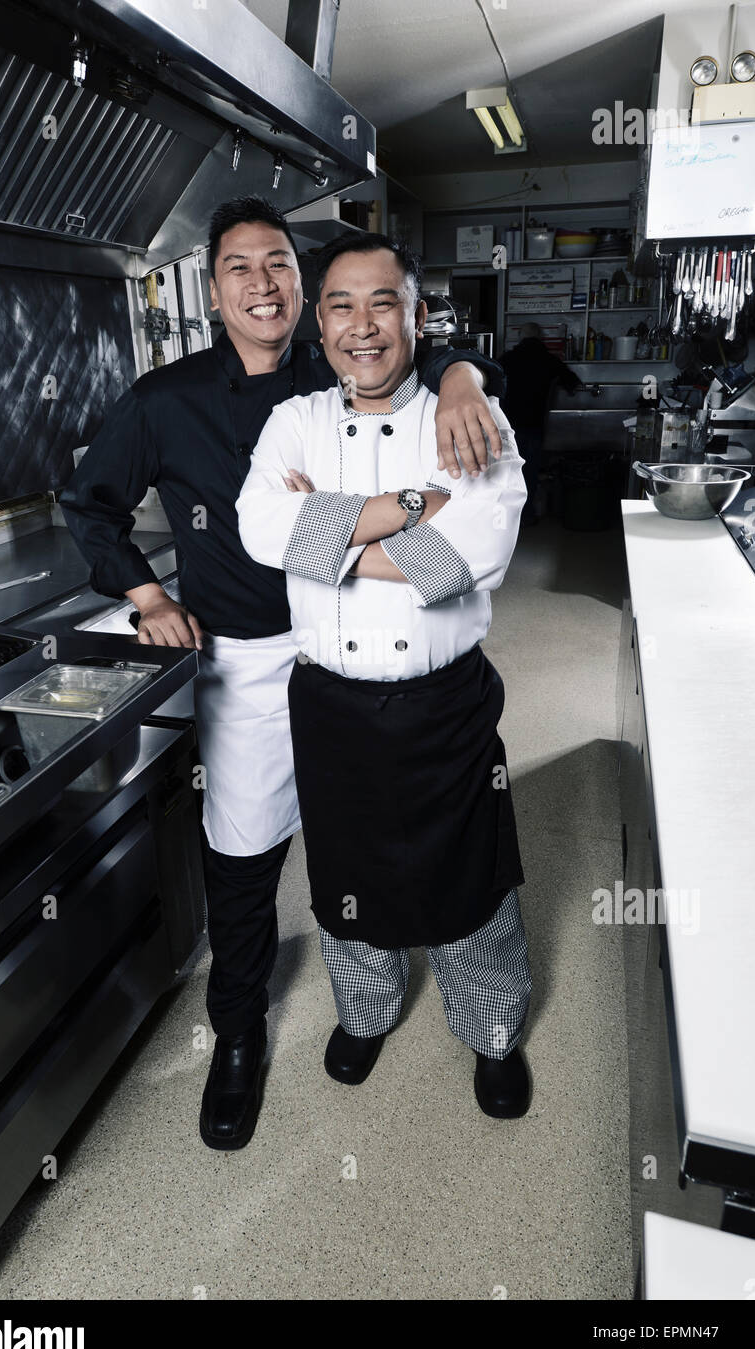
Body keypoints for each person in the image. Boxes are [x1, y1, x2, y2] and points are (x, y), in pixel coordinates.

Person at [60, 196, 510, 1150]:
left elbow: (463, 532)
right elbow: (157, 516)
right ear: (213, 291)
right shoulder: (171, 400)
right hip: (257, 665)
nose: (263, 286)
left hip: (388, 672)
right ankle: (239, 1034)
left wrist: (466, 375)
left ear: (304, 293)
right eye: (239, 270)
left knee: (419, 856)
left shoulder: (352, 368)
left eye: (279, 268)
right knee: (250, 858)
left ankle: (473, 1022)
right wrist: (148, 598)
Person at [237, 231, 532, 1119]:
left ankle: (492, 1032)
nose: (363, 327)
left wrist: (322, 541)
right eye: (341, 305)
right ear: (318, 322)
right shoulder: (295, 420)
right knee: (343, 876)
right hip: (330, 707)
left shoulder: (468, 414)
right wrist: (409, 509)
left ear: (417, 316)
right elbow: (259, 528)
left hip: (445, 708)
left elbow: (469, 555)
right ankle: (365, 1011)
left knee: (470, 880)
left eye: (383, 304)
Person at [500, 323, 582, 523]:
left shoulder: (507, 359)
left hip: (509, 425)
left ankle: (508, 517)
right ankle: (526, 516)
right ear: (540, 338)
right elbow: (573, 382)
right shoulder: (549, 360)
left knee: (509, 471)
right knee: (530, 471)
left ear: (521, 337)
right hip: (535, 424)